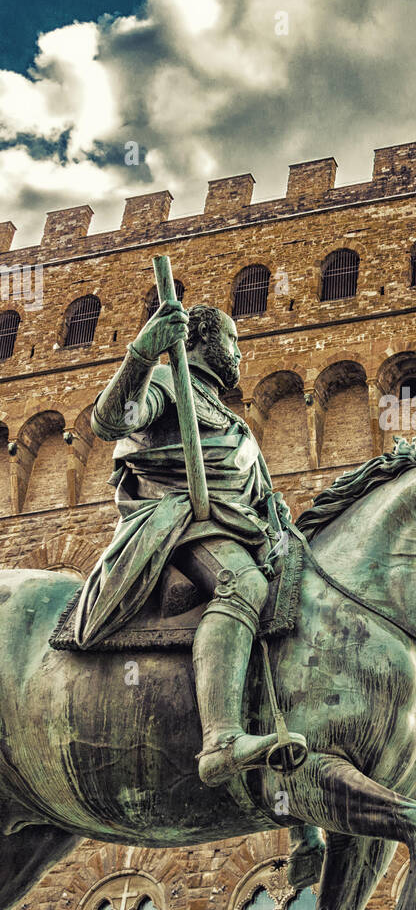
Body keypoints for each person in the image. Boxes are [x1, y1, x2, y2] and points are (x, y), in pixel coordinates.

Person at [75, 298, 290, 787]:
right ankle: (221, 740)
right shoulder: (170, 386)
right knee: (243, 586)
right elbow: (111, 422)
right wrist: (141, 354)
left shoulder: (234, 423)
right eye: (233, 340)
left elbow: (258, 495)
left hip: (235, 526)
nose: (239, 353)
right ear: (200, 339)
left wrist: (277, 516)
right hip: (180, 525)